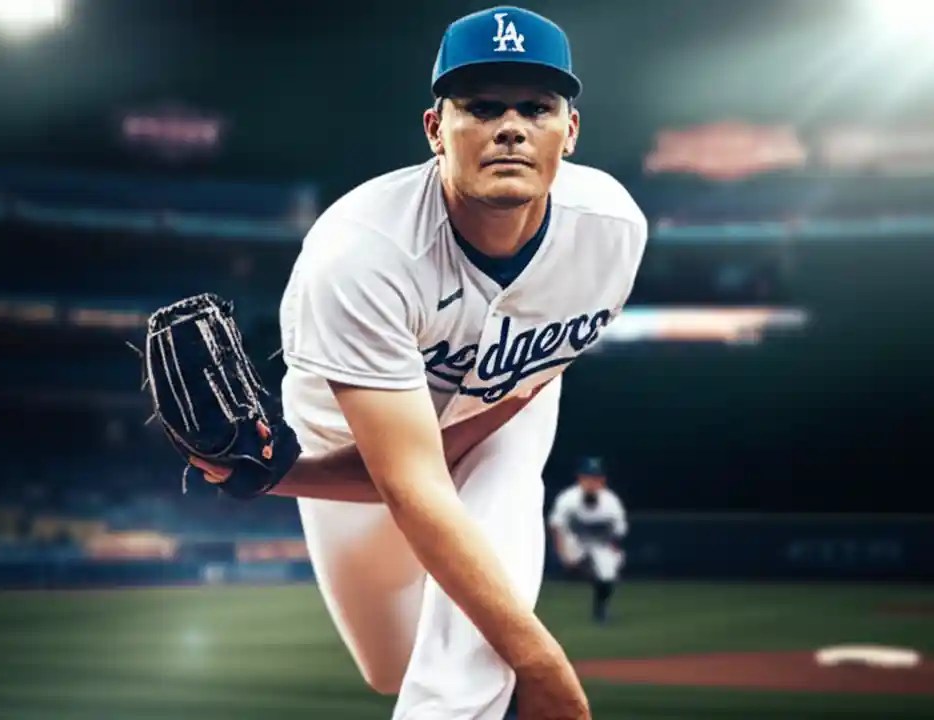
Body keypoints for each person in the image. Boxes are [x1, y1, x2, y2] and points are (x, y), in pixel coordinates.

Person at [191, 6, 647, 718]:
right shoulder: (361, 255)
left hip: (500, 409)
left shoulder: (613, 233)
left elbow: (511, 408)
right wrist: (284, 474)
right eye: (482, 106)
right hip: (348, 440)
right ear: (436, 129)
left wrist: (532, 659)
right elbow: (409, 481)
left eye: (537, 107)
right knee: (390, 665)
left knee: (497, 520)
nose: (511, 127)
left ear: (571, 131)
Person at [548, 457, 628, 624]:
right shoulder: (568, 498)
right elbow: (556, 525)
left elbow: (619, 530)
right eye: (587, 477)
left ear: (602, 480)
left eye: (596, 478)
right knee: (572, 560)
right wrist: (560, 550)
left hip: (600, 543)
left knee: (608, 572)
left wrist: (614, 550)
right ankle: (578, 572)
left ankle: (601, 609)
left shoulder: (611, 503)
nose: (591, 482)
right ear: (580, 479)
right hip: (574, 540)